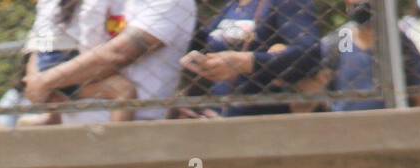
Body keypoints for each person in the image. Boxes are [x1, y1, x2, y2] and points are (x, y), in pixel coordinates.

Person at [23, 0, 198, 123]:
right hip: (75, 125)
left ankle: (115, 147)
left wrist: (44, 82)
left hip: (138, 129)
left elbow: (118, 54)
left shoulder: (170, 3)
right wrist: (36, 80)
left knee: (123, 91)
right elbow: (44, 41)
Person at [181, 0, 321, 116]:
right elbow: (207, 44)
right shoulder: (234, 5)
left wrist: (246, 62)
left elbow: (309, 52)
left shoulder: (286, 2)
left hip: (261, 117)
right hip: (217, 114)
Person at [298, 0, 420, 110]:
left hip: (392, 124)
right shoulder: (343, 39)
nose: (360, 3)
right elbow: (318, 86)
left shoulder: (396, 41)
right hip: (346, 127)